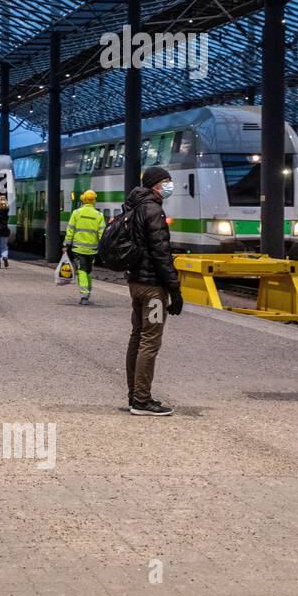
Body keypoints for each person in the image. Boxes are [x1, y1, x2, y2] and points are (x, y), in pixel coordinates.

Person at [122, 166, 182, 417]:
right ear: (155, 184)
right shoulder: (153, 210)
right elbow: (161, 253)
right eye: (166, 181)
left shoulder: (133, 207)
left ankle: (134, 396)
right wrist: (174, 289)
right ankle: (142, 401)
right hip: (152, 288)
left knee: (137, 337)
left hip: (135, 283)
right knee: (150, 341)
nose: (169, 185)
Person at [64, 189, 105, 303]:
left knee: (81, 270)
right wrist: (102, 247)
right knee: (88, 271)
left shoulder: (76, 213)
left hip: (78, 248)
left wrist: (66, 244)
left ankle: (84, 295)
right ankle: (88, 292)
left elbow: (70, 230)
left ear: (83, 200)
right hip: (92, 249)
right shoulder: (99, 215)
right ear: (94, 200)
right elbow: (102, 233)